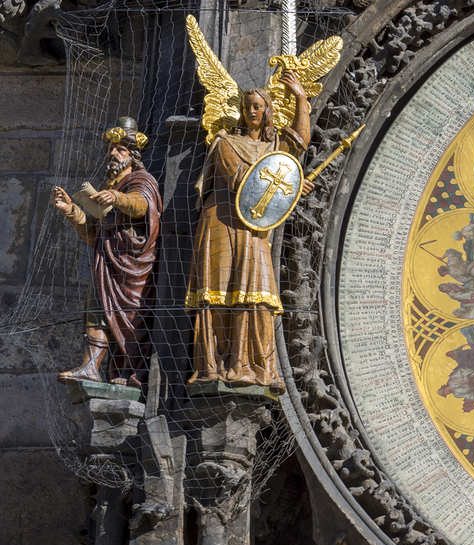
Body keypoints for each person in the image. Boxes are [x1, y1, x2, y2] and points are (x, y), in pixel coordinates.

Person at [186, 73, 311, 391]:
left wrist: (301, 99)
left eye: (257, 106)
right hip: (223, 221)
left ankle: (255, 366)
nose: (251, 111)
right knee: (220, 291)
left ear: (267, 111)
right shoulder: (226, 143)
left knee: (258, 293)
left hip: (254, 229)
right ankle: (215, 366)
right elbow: (242, 181)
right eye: (247, 106)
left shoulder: (274, 146)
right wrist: (291, 186)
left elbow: (300, 141)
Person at [51, 117, 163, 388]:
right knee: (97, 310)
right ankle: (90, 367)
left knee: (130, 317)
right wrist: (71, 210)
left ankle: (132, 372)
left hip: (131, 265)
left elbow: (142, 205)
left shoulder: (141, 180)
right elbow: (94, 233)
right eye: (111, 149)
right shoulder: (107, 188)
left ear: (133, 156)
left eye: (121, 149)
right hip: (106, 260)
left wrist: (117, 198)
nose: (113, 153)